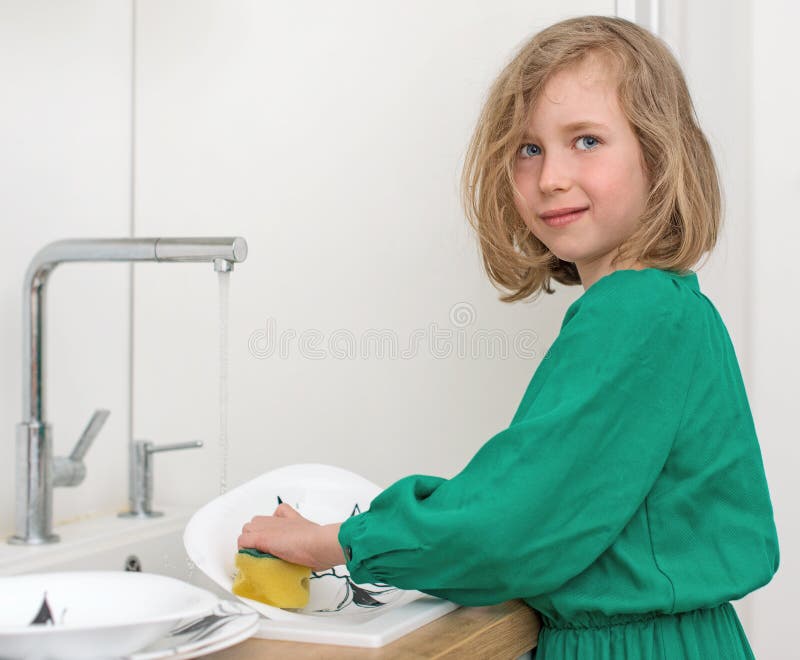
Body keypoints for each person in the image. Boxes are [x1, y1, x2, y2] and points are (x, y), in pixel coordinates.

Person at [238, 15, 779, 658]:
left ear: (658, 157)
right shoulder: (669, 308)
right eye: (529, 149)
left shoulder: (634, 314)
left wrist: (331, 542)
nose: (550, 176)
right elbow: (536, 492)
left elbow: (505, 527)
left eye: (585, 140)